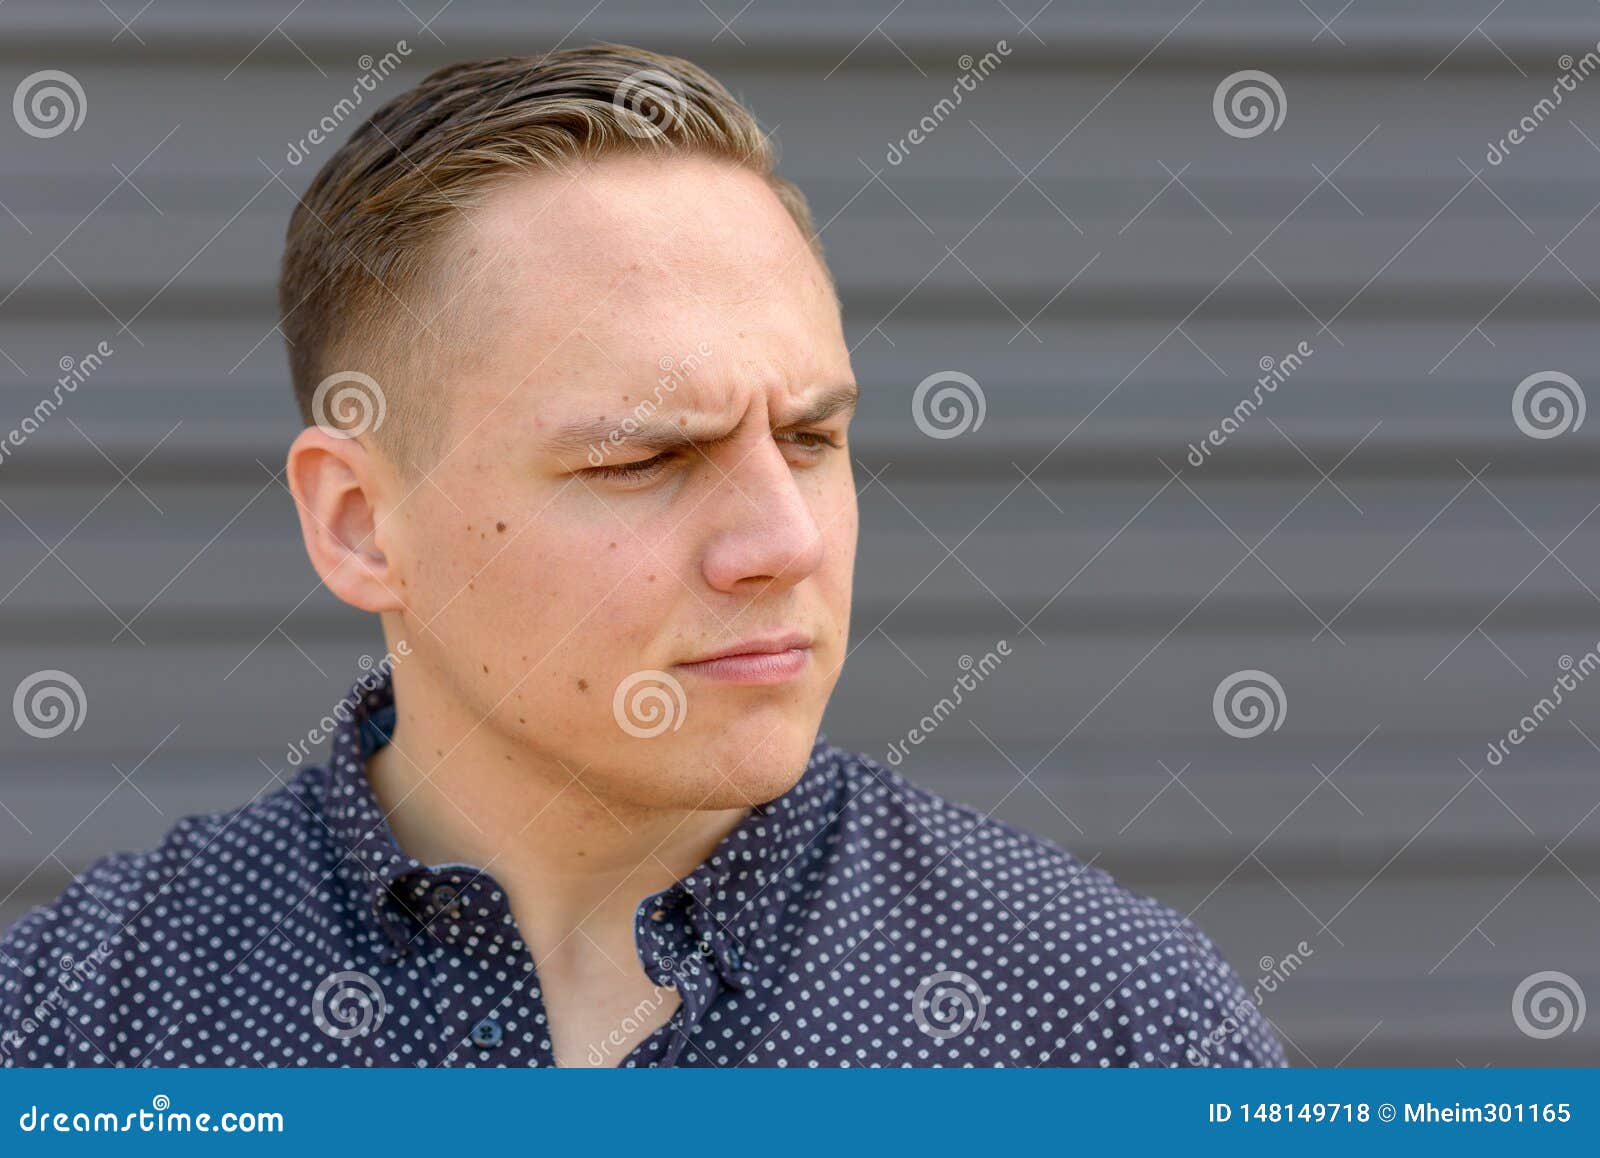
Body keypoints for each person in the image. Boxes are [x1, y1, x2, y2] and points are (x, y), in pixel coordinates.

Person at [0, 43, 1285, 1068]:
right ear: (357, 522)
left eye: (811, 436)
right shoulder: (81, 1034)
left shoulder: (1106, 1035)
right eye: (642, 461)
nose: (780, 541)